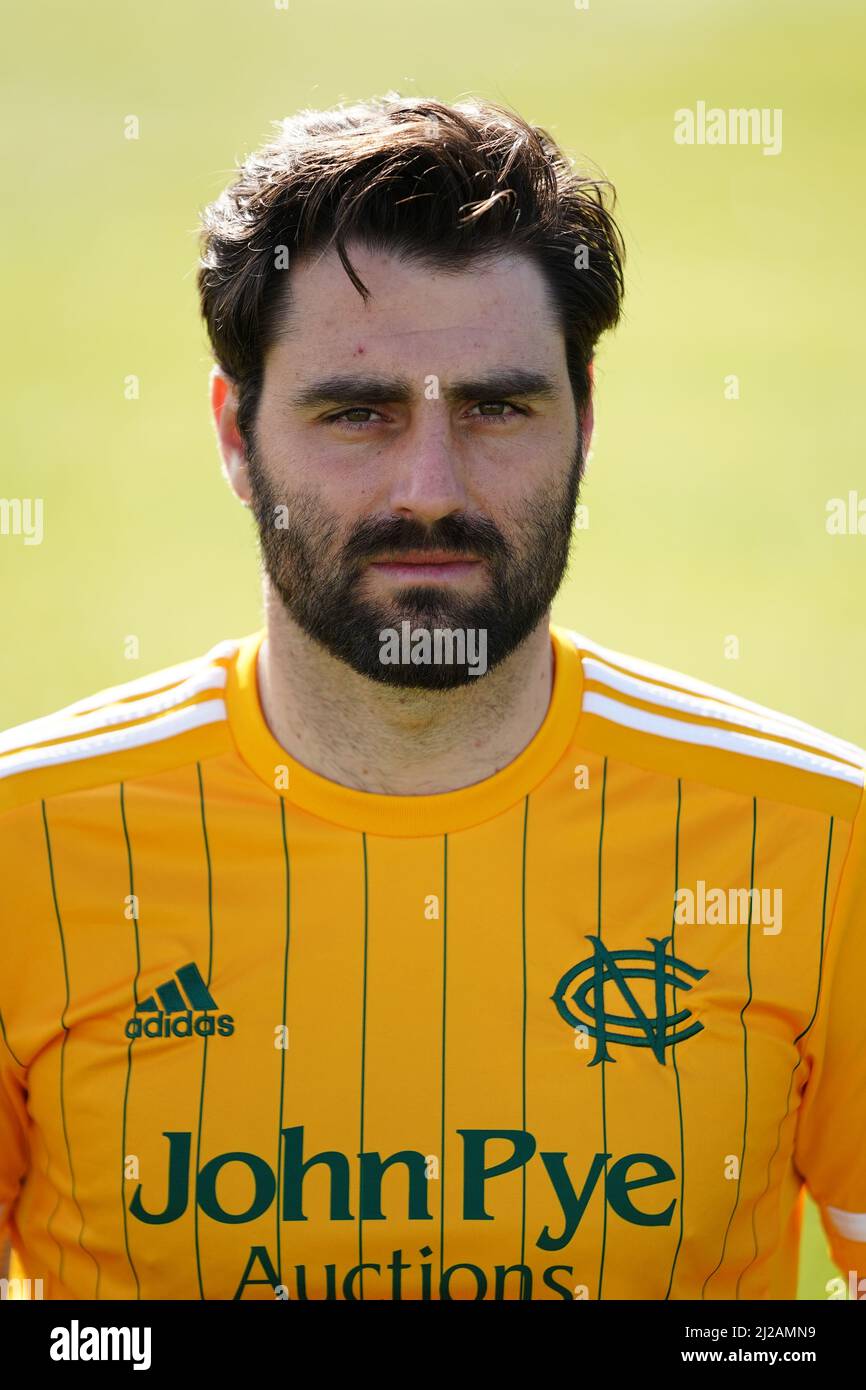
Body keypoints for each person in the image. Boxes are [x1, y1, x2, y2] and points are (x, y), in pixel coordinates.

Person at [1, 95, 864, 1302]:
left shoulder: (824, 849)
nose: (429, 488)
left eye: (494, 407)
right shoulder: (21, 850)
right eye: (355, 413)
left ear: (585, 421)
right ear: (237, 439)